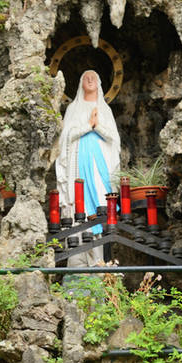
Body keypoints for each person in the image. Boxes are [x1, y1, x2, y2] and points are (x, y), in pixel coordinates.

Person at [55, 69, 120, 266]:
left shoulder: (105, 110)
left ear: (100, 83)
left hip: (99, 167)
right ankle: (77, 266)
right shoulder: (73, 108)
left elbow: (114, 139)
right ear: (81, 83)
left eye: (94, 77)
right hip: (77, 166)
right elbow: (65, 137)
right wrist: (87, 126)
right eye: (86, 77)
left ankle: (98, 263)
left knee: (98, 208)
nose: (90, 79)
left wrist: (97, 126)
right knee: (77, 208)